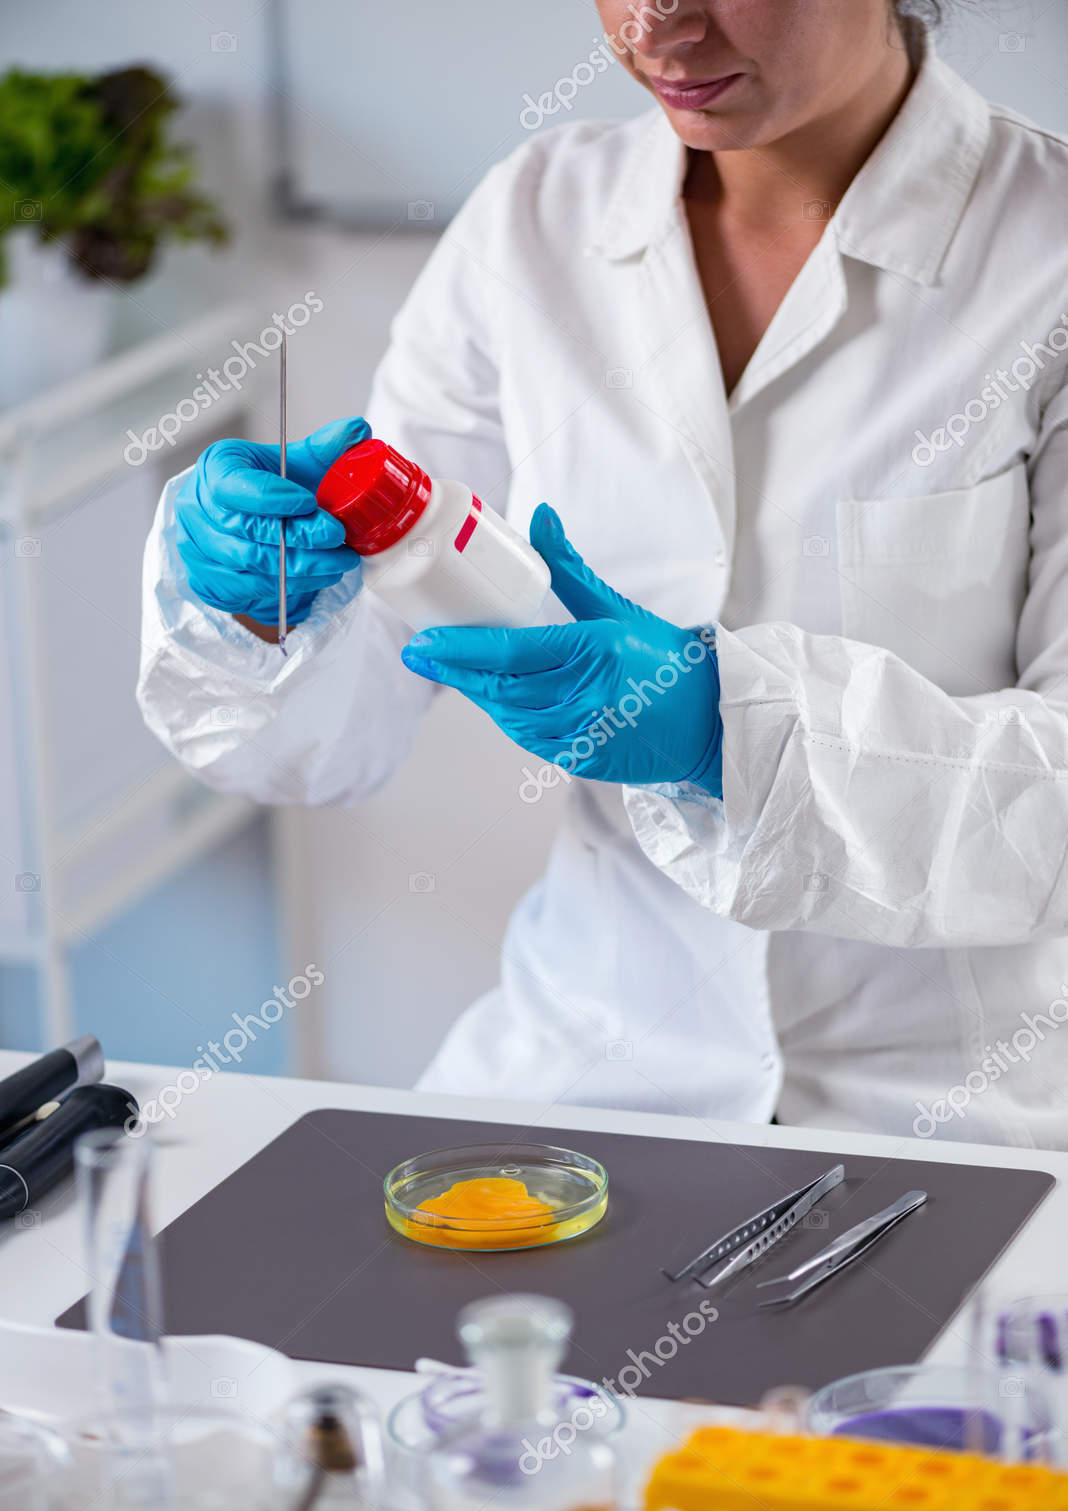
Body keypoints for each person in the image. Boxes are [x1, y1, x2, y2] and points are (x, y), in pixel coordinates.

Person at [139, 1, 1068, 1148]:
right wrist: (264, 608)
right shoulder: (535, 222)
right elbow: (334, 732)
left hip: (959, 1107)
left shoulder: (1046, 253)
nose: (655, 25)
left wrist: (730, 735)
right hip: (594, 1061)